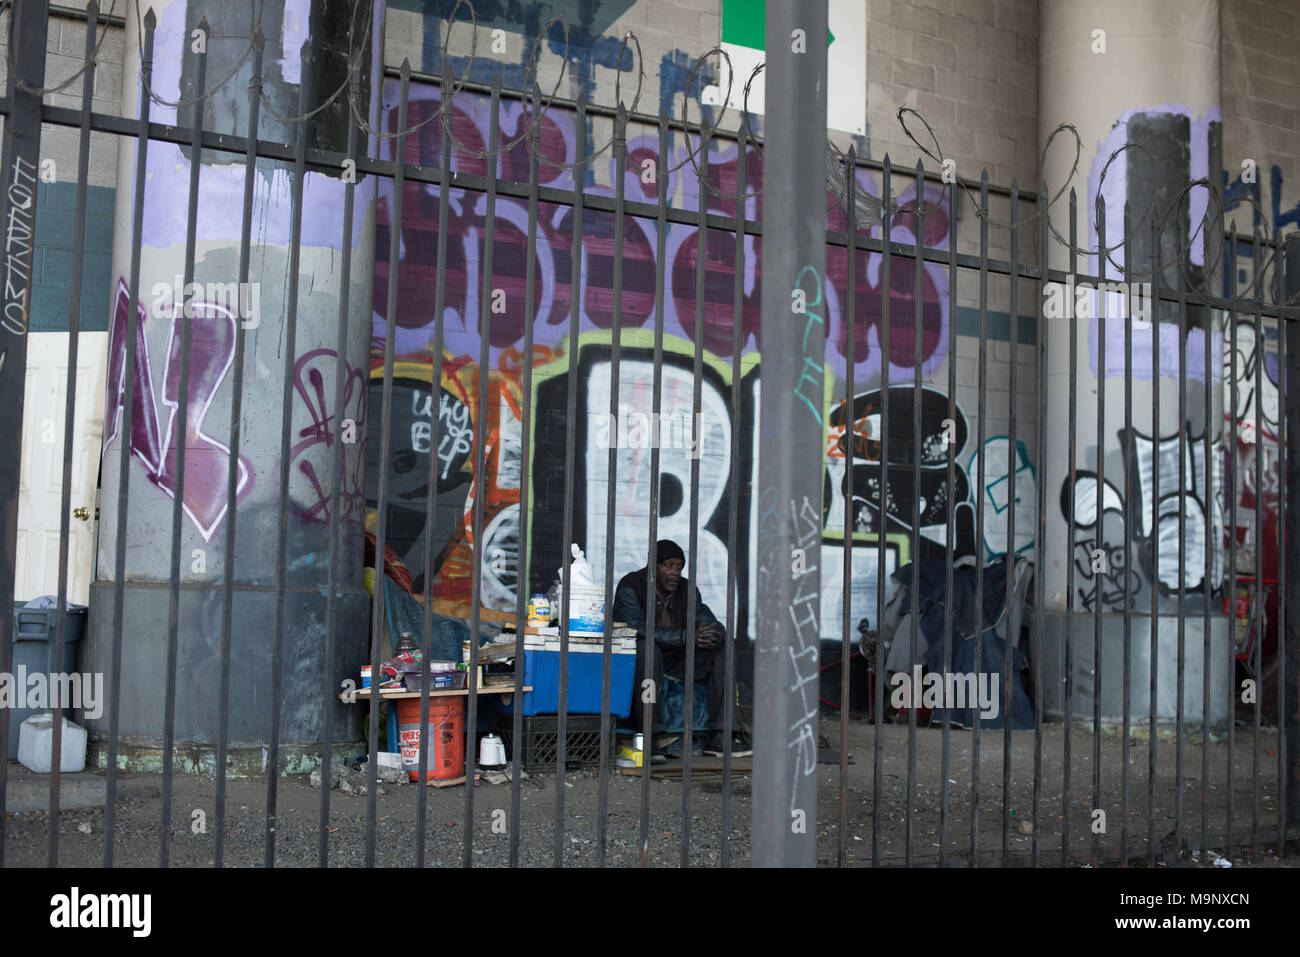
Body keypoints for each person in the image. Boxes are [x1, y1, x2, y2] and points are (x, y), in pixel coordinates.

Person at [613, 539, 750, 758]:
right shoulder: (631, 585)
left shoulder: (687, 589)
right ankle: (650, 737)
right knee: (646, 647)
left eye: (679, 567)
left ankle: (721, 737)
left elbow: (707, 620)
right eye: (669, 565)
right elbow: (633, 628)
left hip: (678, 662)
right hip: (641, 662)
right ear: (653, 566)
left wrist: (713, 634)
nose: (675, 572)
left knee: (723, 643)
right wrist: (685, 636)